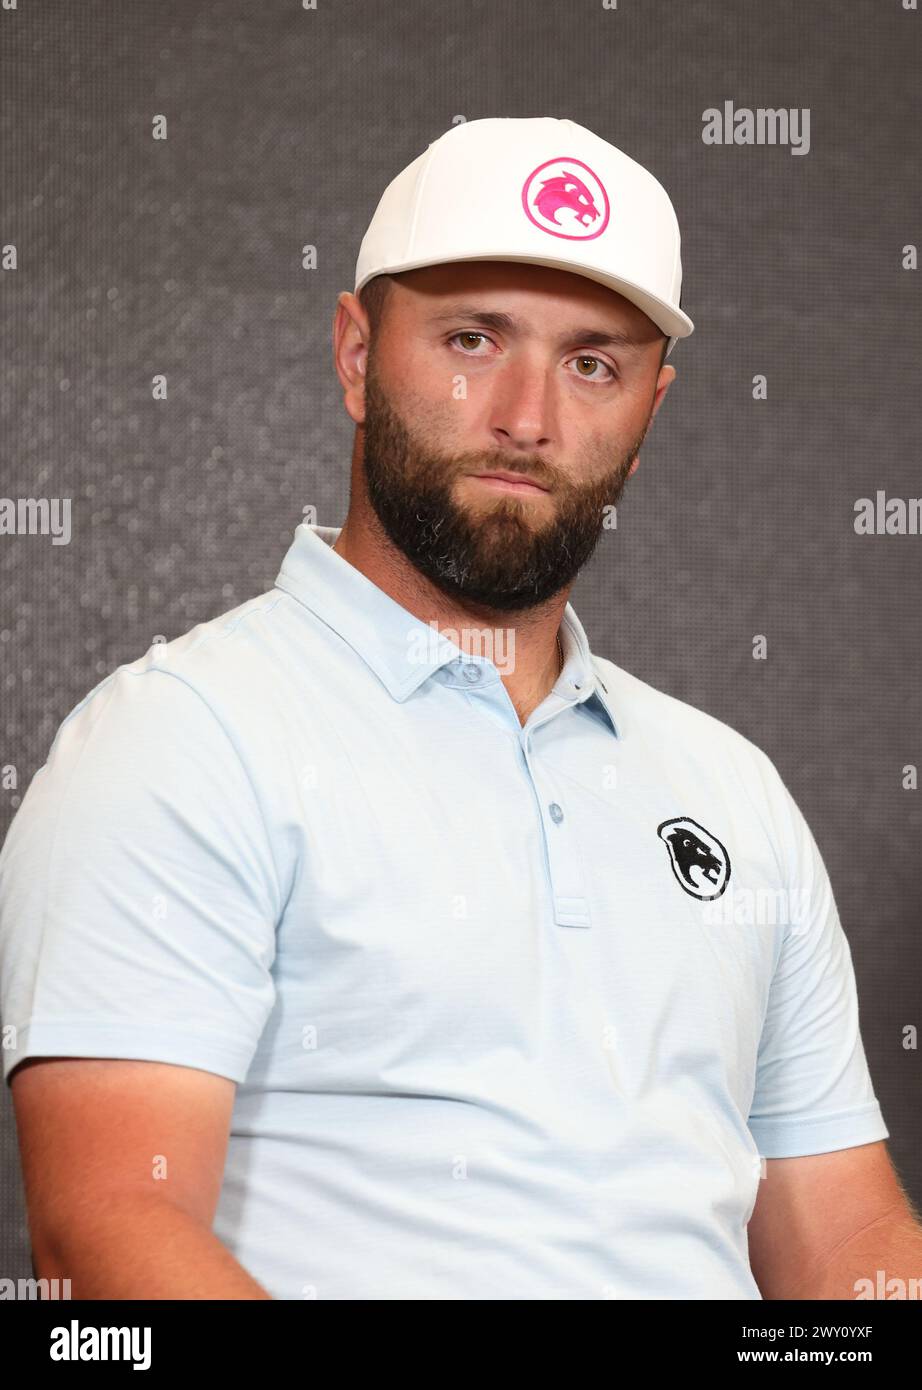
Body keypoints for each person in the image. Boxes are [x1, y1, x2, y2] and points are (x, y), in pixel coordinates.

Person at [1, 117, 917, 1301]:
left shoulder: (730, 785)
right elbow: (109, 1232)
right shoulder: (175, 740)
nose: (527, 416)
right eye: (474, 339)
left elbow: (842, 1238)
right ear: (354, 353)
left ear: (650, 410)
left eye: (593, 362)